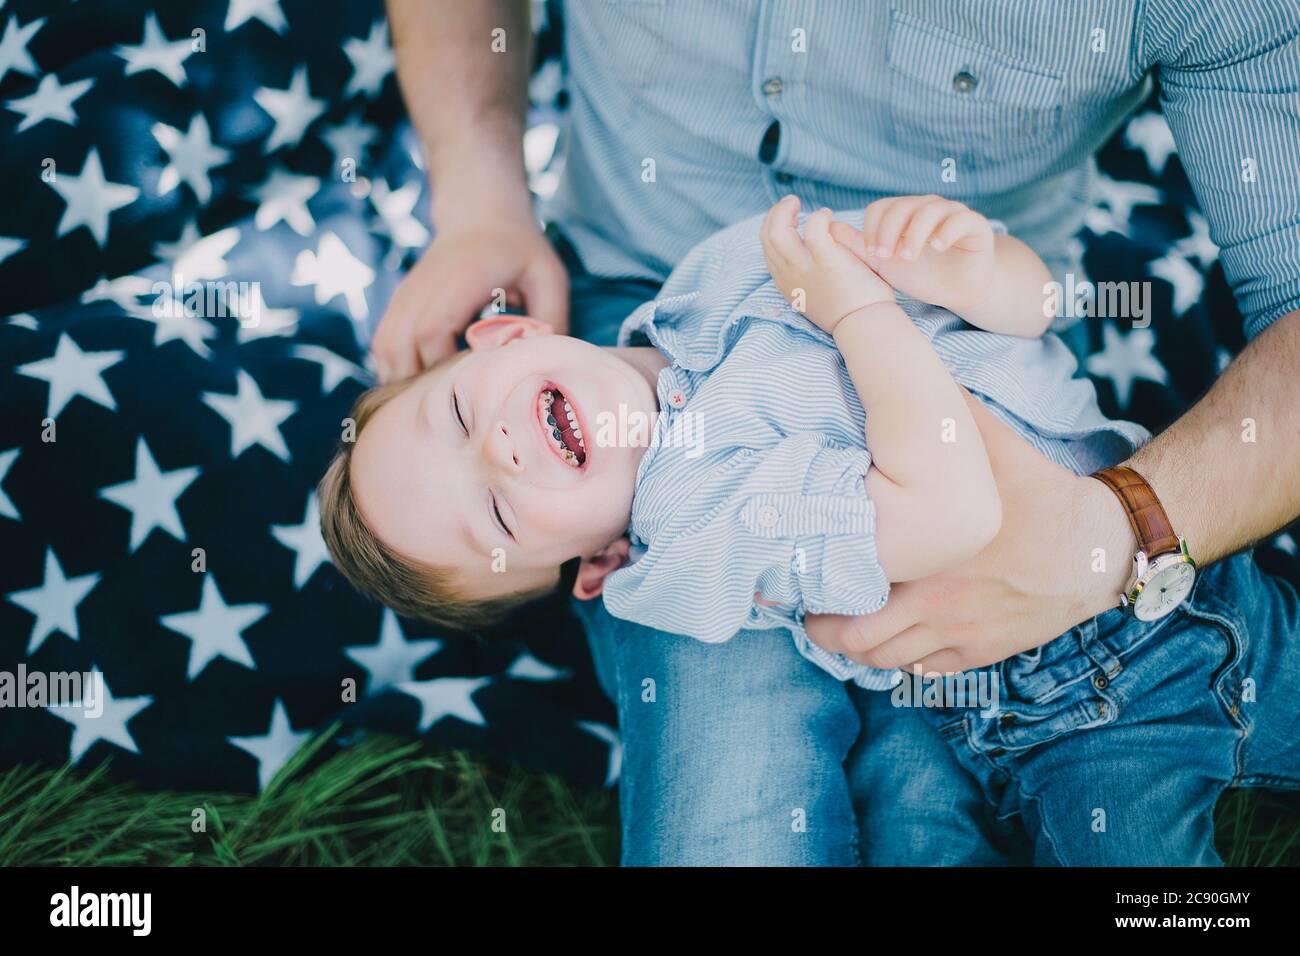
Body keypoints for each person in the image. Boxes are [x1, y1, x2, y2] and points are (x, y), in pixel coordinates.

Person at [372, 0, 1300, 864]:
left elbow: (1031, 306)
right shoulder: (700, 526)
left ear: (504, 332)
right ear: (610, 570)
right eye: (497, 511)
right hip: (1056, 697)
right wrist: (479, 198)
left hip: (1168, 557)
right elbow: (946, 514)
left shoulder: (721, 273)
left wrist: (977, 273)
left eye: (457, 411)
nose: (495, 446)